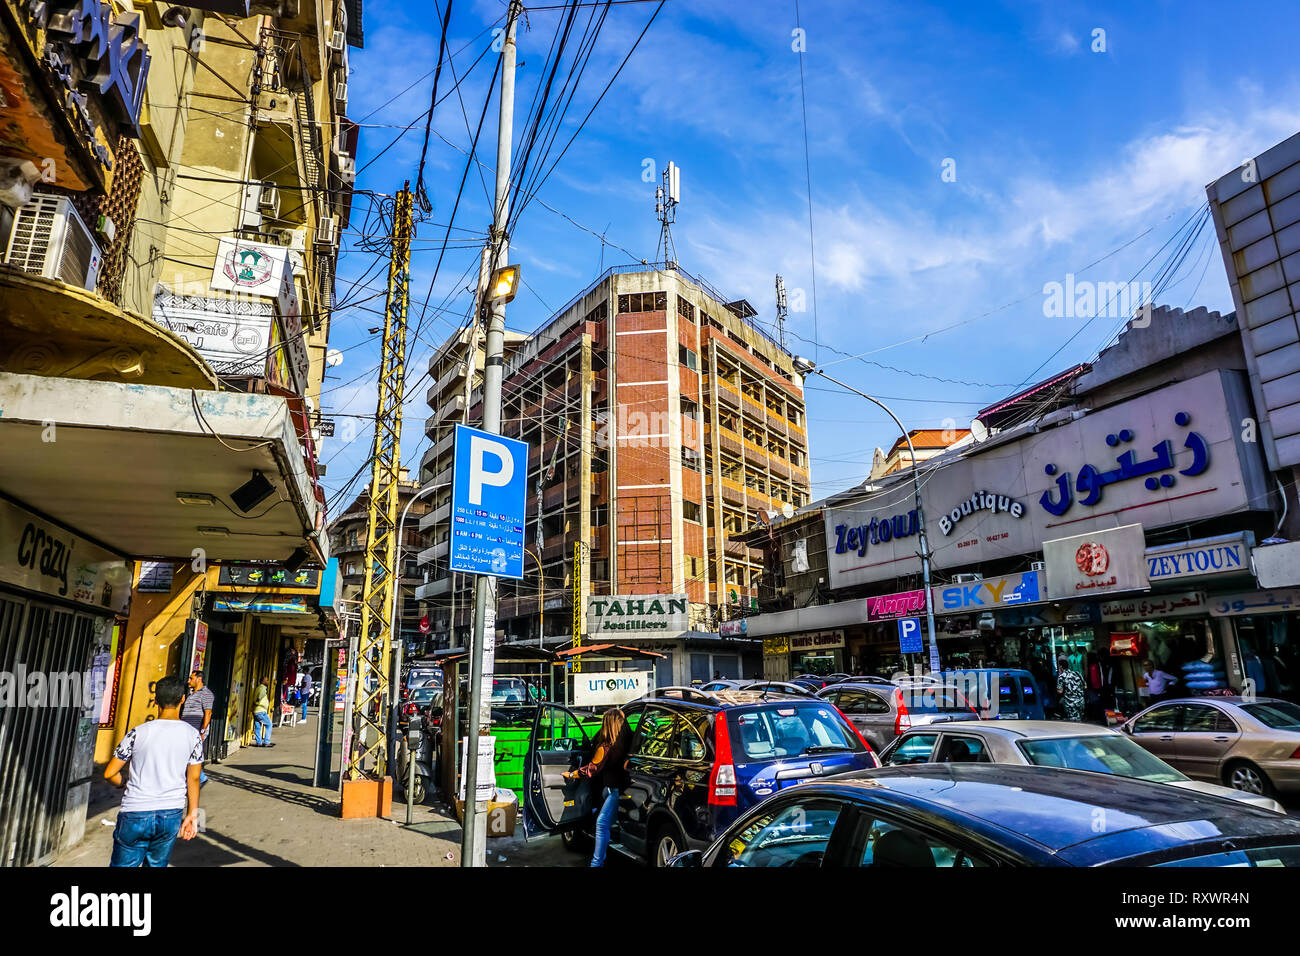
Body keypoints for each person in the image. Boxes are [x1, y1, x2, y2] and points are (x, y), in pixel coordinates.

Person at [103, 675, 203, 866]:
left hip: (135, 811)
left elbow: (109, 773)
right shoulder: (192, 735)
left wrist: (123, 784)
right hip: (170, 813)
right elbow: (194, 778)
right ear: (183, 699)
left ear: (155, 700)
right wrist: (192, 814)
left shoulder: (137, 732)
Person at [562, 708, 632, 867]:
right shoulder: (630, 739)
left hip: (613, 790)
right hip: (626, 788)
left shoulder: (606, 746)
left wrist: (571, 775)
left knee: (601, 823)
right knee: (605, 821)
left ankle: (596, 863)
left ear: (608, 724)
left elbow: (591, 769)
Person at [180, 670, 215, 784]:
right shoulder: (191, 694)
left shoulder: (206, 694)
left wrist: (203, 730)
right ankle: (200, 777)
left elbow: (208, 713)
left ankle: (200, 778)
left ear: (199, 679)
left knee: (190, 755)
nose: (188, 681)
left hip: (197, 730)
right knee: (188, 755)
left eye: (191, 678)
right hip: (187, 729)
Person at [1056, 656, 1087, 722]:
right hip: (1081, 702)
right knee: (1080, 720)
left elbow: (1060, 691)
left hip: (1071, 704)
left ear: (1060, 667)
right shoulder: (1077, 673)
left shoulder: (1061, 677)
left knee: (1074, 723)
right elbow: (1085, 686)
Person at [253, 677, 274, 747]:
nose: (268, 681)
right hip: (261, 711)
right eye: (267, 680)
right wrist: (257, 702)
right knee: (269, 724)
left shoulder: (258, 688)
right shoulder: (262, 688)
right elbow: (260, 697)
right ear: (263, 681)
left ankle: (259, 742)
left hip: (256, 710)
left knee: (257, 727)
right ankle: (267, 742)